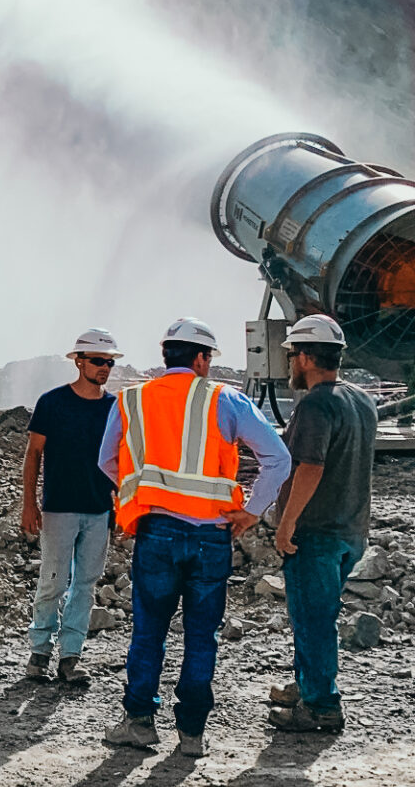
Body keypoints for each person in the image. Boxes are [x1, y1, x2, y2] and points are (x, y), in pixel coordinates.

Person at [97, 317, 290, 757]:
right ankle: (192, 734)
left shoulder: (132, 400)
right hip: (211, 536)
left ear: (167, 355)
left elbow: (107, 460)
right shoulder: (226, 399)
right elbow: (278, 458)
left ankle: (139, 722)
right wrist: (251, 511)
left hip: (156, 532)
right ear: (202, 359)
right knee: (202, 636)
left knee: (149, 631)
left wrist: (140, 493)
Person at [268, 314, 376, 733]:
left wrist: (286, 524)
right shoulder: (361, 399)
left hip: (316, 533)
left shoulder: (315, 404)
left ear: (306, 357)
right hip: (351, 530)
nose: (290, 363)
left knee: (313, 619)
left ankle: (320, 706)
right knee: (317, 615)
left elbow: (310, 467)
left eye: (292, 355)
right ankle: (308, 684)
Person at [20, 328, 124, 684]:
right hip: (59, 509)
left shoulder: (114, 408)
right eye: (98, 361)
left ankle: (70, 657)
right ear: (79, 361)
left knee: (85, 585)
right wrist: (29, 504)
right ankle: (39, 651)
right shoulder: (52, 403)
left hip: (99, 511)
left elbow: (122, 460)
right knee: (52, 580)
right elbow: (33, 454)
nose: (104, 368)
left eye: (109, 362)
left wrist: (123, 507)